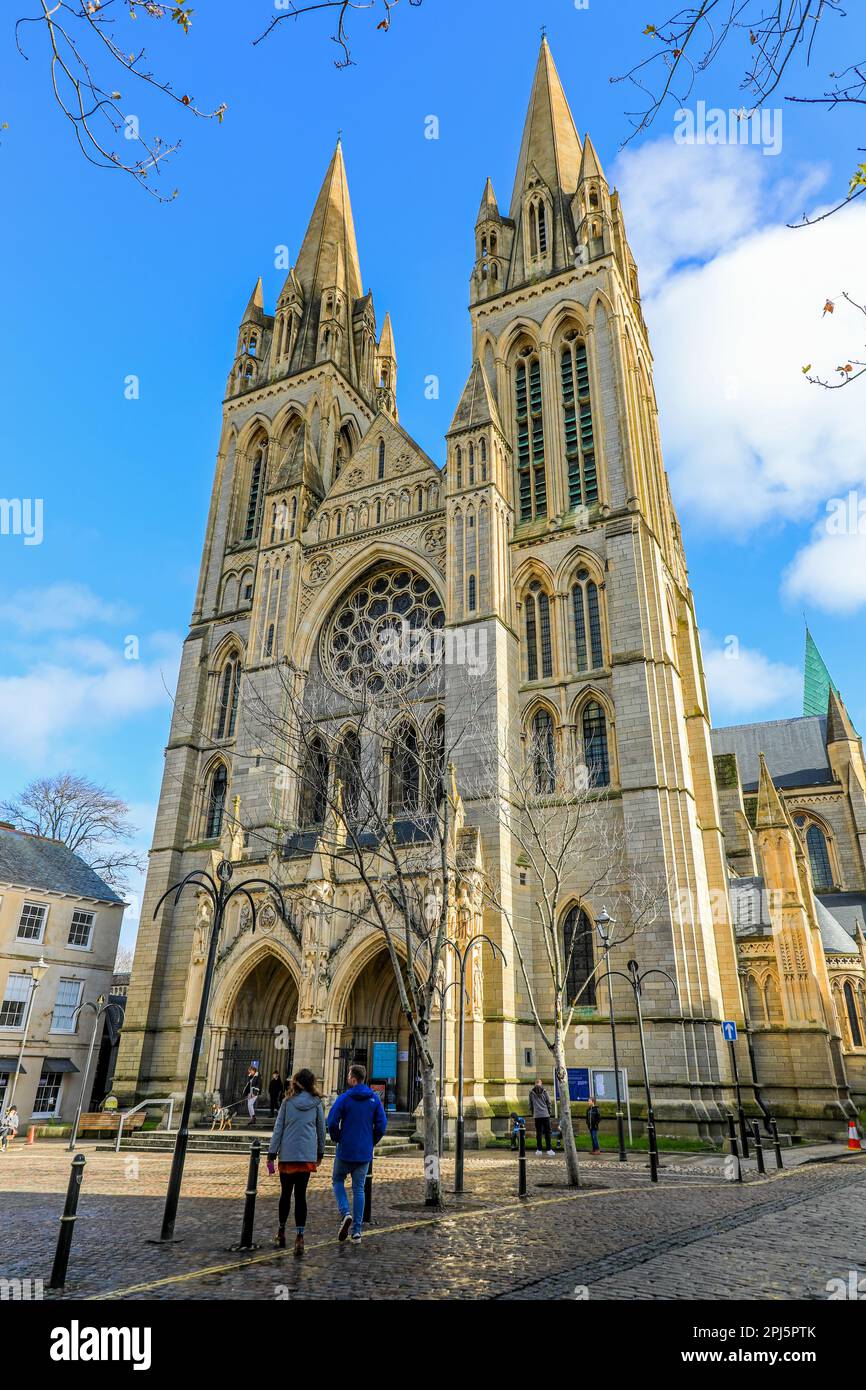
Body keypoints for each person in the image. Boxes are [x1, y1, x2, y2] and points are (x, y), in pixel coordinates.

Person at [266, 1068, 325, 1257]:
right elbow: (321, 1130)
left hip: (288, 1155)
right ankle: (300, 1237)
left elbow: (278, 1128)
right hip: (306, 1157)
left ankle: (281, 1232)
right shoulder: (317, 1103)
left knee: (285, 1194)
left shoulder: (287, 1102)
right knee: (301, 1196)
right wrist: (320, 1152)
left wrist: (272, 1152)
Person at [327, 1064, 387, 1243]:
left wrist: (338, 1138)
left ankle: (345, 1212)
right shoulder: (374, 1100)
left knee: (337, 1180)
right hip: (364, 1152)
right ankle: (357, 1232)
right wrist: (371, 1142)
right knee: (359, 1189)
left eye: (348, 1074)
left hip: (345, 1149)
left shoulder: (344, 1098)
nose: (347, 1077)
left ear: (353, 1079)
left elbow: (331, 1121)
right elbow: (382, 1125)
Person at [528, 1079, 554, 1155]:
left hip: (537, 1116)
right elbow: (549, 1102)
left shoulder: (531, 1093)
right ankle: (549, 1149)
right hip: (545, 1115)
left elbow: (530, 1105)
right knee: (547, 1133)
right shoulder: (545, 1092)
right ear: (541, 1083)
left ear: (535, 1084)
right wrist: (549, 1112)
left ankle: (539, 1150)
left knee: (538, 1133)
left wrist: (533, 1113)